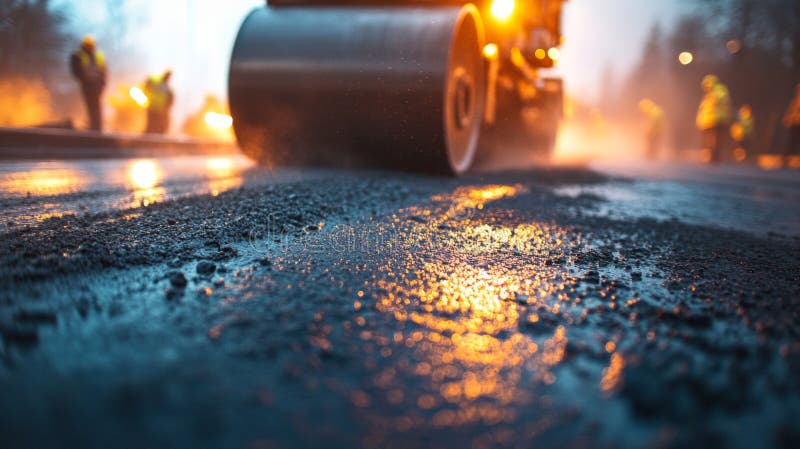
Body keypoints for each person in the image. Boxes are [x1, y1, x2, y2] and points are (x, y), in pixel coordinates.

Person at [69, 35, 107, 131]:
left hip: (95, 85)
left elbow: (104, 71)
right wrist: (83, 79)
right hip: (88, 84)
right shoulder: (79, 55)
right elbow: (76, 69)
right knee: (93, 106)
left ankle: (96, 127)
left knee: (95, 106)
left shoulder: (98, 56)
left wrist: (102, 84)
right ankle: (95, 127)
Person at [696, 74, 732, 163]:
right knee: (710, 140)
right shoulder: (709, 94)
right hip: (708, 122)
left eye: (707, 85)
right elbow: (703, 110)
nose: (706, 87)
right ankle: (710, 156)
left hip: (717, 120)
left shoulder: (720, 91)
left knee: (715, 140)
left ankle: (714, 157)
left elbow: (718, 102)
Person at [143, 70, 174, 134]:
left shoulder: (167, 88)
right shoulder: (155, 80)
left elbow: (170, 98)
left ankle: (158, 138)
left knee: (160, 126)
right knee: (150, 125)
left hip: (160, 110)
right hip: (151, 107)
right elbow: (147, 83)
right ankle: (147, 138)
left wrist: (166, 108)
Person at [783, 83, 800, 165]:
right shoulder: (795, 101)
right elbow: (791, 111)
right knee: (791, 142)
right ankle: (787, 158)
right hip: (795, 124)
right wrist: (787, 119)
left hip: (797, 123)